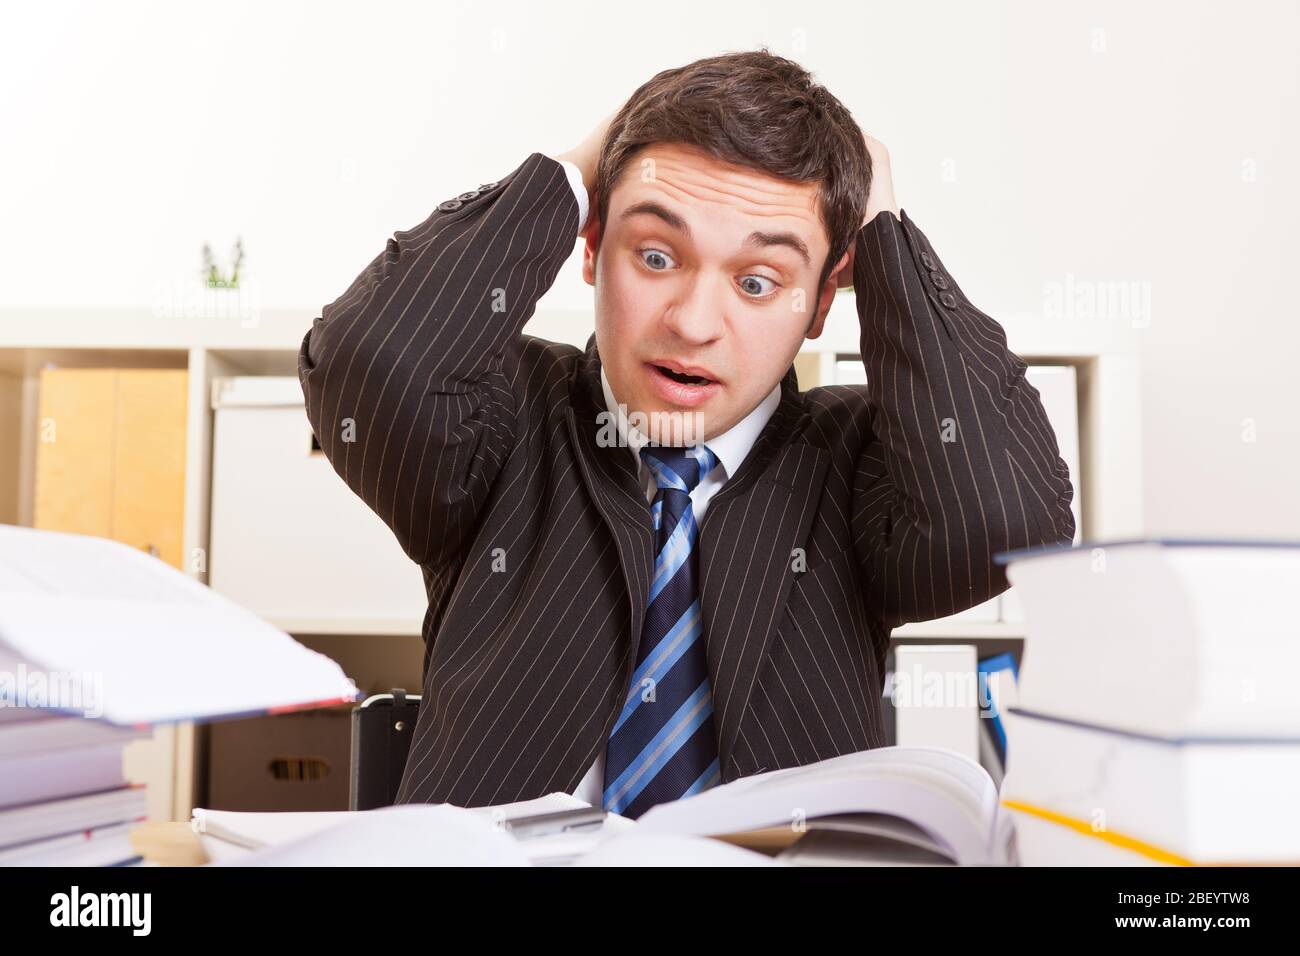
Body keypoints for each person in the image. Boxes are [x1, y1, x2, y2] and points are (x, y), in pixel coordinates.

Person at [298, 49, 1075, 820]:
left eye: (759, 281)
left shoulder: (860, 464)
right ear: (594, 245)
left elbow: (1006, 520)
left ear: (822, 305)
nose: (693, 324)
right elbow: (371, 362)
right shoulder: (505, 419)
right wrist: (574, 170)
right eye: (657, 255)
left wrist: (884, 234)